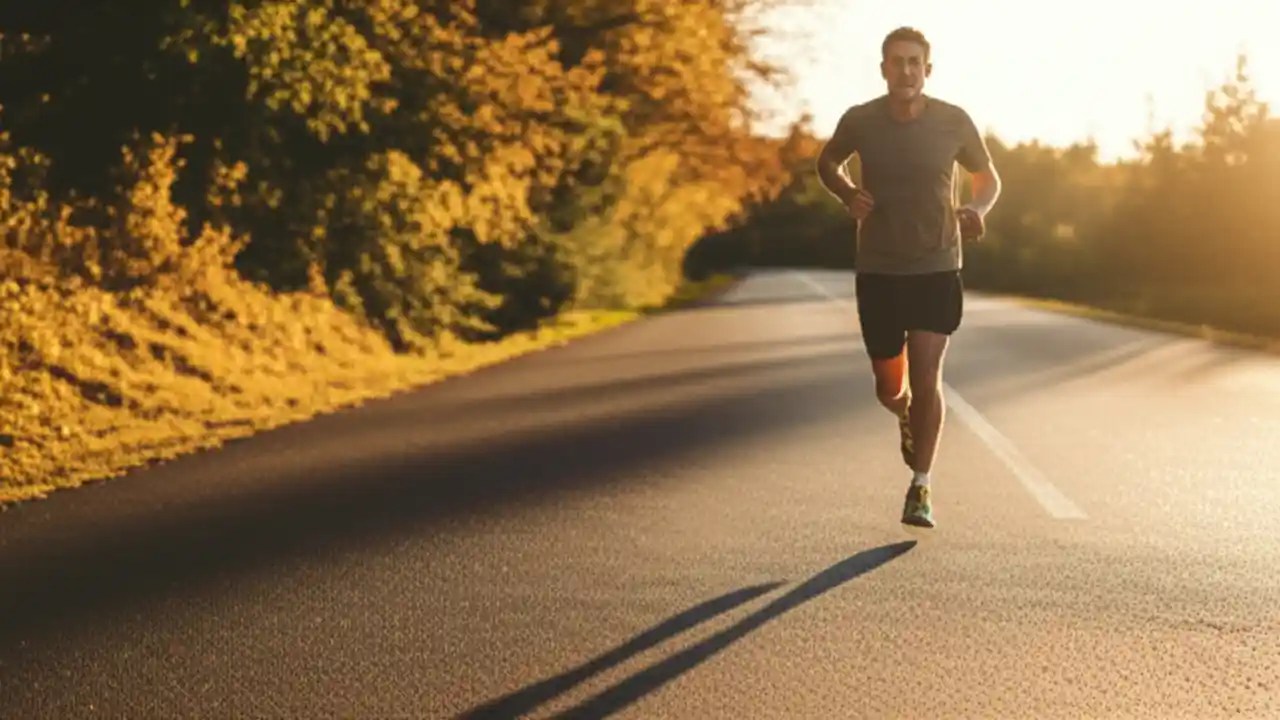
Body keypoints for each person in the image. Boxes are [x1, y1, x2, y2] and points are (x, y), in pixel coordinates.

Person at [816, 26, 1002, 528]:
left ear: (928, 69)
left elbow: (989, 178)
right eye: (896, 62)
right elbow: (827, 160)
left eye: (914, 62)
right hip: (878, 267)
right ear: (883, 69)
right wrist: (847, 192)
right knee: (888, 386)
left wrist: (977, 207)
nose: (905, 71)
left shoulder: (953, 121)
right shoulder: (861, 120)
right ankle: (902, 415)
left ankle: (920, 486)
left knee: (927, 378)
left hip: (937, 264)